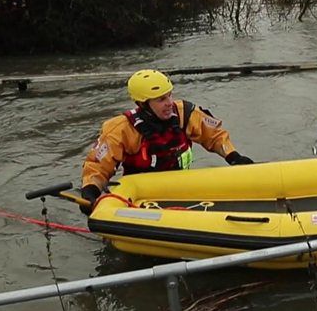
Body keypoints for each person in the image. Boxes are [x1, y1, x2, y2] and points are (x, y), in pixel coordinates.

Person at [79, 69, 253, 213]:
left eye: (169, 96)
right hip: (143, 195)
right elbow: (98, 166)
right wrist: (90, 191)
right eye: (161, 99)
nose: (170, 103)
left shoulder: (185, 113)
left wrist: (233, 156)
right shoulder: (121, 129)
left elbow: (215, 135)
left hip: (179, 186)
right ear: (143, 104)